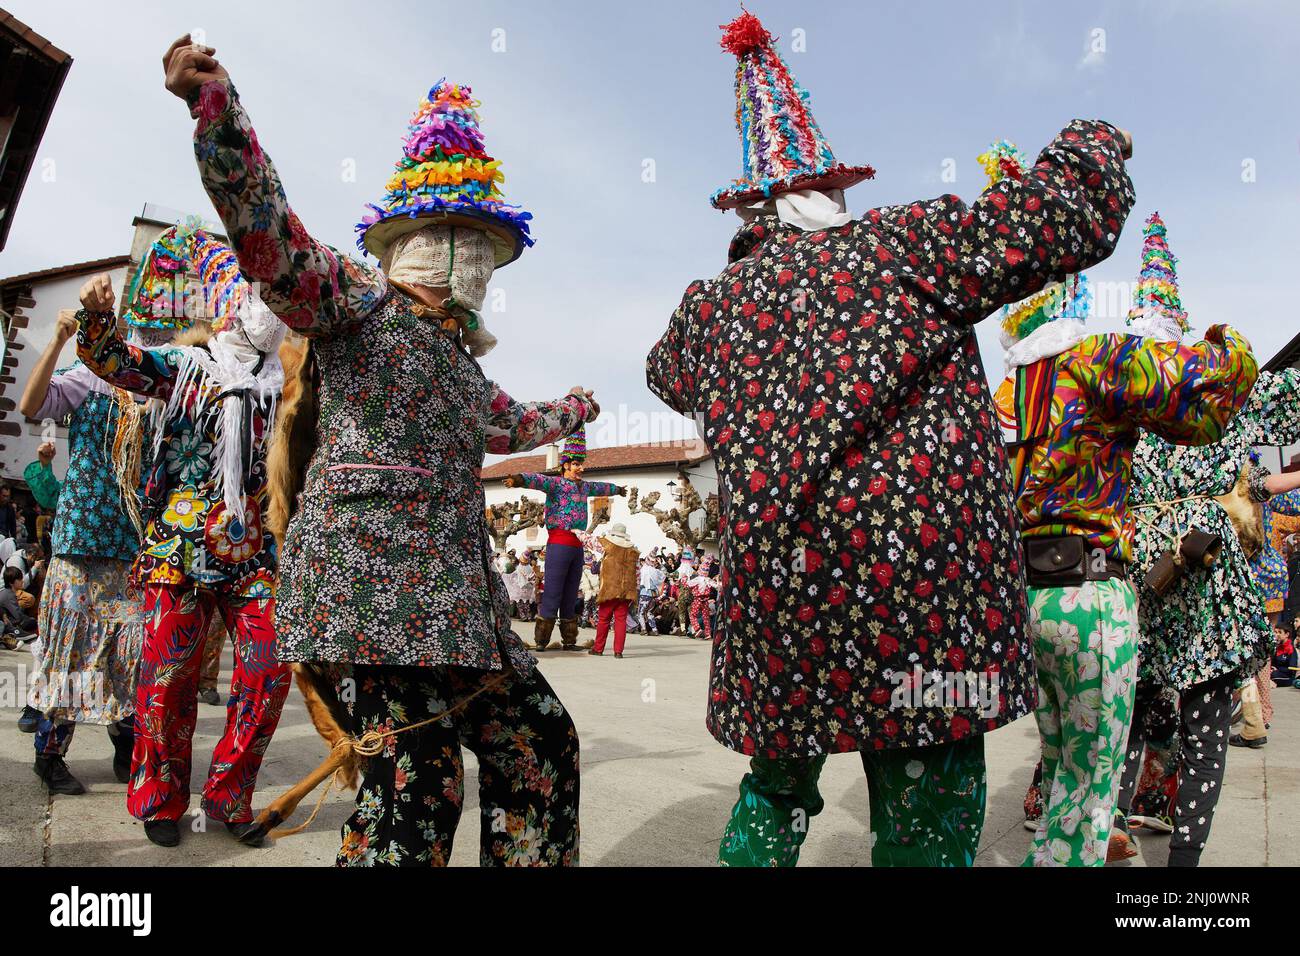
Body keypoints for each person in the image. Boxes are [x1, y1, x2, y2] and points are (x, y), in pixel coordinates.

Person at [646, 11, 1141, 867]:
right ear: (834, 193)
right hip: (919, 602)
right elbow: (1060, 220)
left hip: (782, 609)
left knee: (775, 791)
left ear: (751, 211)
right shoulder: (905, 246)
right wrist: (1094, 141)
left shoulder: (710, 307)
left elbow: (668, 372)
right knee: (926, 804)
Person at [164, 36, 593, 865]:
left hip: (459, 611)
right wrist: (215, 109)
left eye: (482, 245)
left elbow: (520, 424)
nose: (471, 260)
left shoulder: (466, 375)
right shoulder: (356, 303)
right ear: (413, 246)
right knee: (417, 783)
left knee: (540, 747)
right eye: (455, 238)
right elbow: (271, 240)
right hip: (371, 593)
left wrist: (578, 405)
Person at [75, 224, 290, 850]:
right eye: (254, 302)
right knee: (167, 676)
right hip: (179, 549)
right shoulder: (187, 367)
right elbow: (115, 362)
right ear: (228, 312)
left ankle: (229, 794)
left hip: (253, 551)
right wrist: (96, 318)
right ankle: (160, 798)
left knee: (269, 667)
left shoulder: (288, 386)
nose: (265, 316)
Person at [1117, 214, 1300, 867]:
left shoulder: (1115, 399)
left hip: (1144, 573)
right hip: (1205, 571)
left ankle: (1114, 825)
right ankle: (1183, 860)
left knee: (1131, 715)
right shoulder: (1225, 393)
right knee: (1201, 727)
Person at [16, 266, 186, 797]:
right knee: (70, 651)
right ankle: (50, 753)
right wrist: (60, 338)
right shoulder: (90, 372)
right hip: (80, 536)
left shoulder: (164, 382)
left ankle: (125, 745)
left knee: (131, 653)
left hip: (135, 543)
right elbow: (30, 405)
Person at [503, 427, 626, 651]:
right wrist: (518, 479)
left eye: (582, 464)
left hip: (577, 546)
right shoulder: (556, 484)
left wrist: (618, 490)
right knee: (553, 591)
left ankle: (569, 640)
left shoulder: (585, 487)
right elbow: (537, 480)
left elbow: (602, 487)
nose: (581, 468)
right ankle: (541, 640)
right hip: (559, 544)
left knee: (571, 592)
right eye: (577, 464)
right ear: (566, 466)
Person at [590, 524, 639, 658]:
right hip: (626, 591)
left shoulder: (608, 545)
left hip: (610, 589)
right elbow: (637, 573)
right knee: (621, 621)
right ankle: (618, 652)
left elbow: (588, 541)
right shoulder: (633, 550)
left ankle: (598, 648)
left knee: (603, 620)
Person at [636, 554, 665, 635]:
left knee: (640, 612)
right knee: (649, 612)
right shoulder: (655, 570)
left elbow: (639, 579)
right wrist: (661, 565)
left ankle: (644, 629)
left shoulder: (644, 569)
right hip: (653, 595)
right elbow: (663, 574)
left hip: (644, 593)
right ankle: (655, 630)